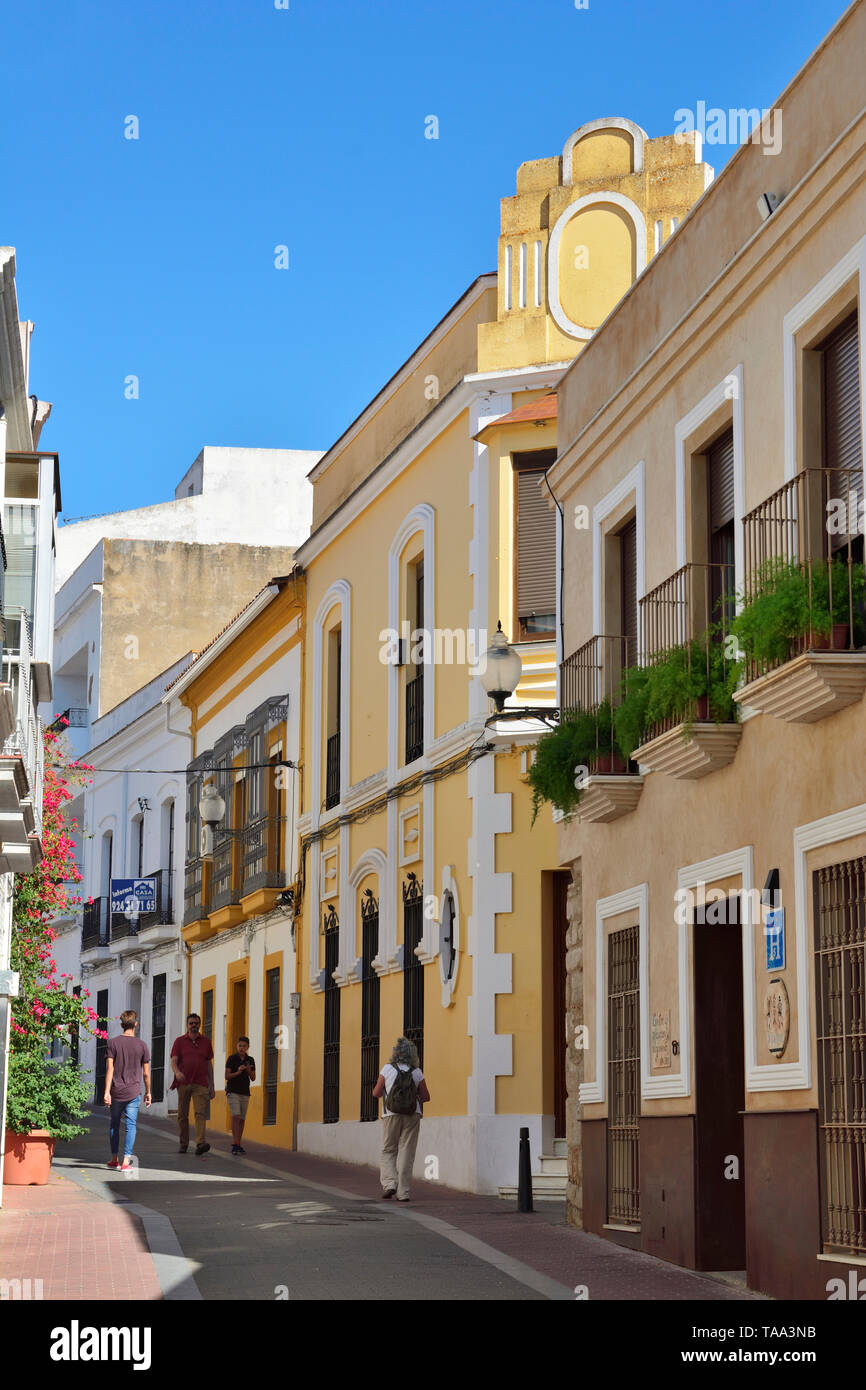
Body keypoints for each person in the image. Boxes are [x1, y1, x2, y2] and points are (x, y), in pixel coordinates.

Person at [372, 1037, 430, 1202]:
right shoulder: (417, 1072)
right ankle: (403, 1193)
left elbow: (375, 1093)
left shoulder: (388, 1069)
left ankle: (390, 1184)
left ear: (395, 1053)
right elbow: (426, 1097)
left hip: (391, 1114)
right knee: (407, 1152)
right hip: (413, 1115)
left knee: (388, 1149)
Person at [103, 1009, 151, 1171]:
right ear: (135, 1024)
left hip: (116, 1091)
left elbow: (110, 1069)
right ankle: (126, 1162)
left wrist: (107, 1092)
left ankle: (114, 1159)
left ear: (122, 1025)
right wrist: (148, 1092)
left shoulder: (113, 1043)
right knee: (131, 1125)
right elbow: (146, 1073)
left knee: (114, 1124)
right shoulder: (142, 1046)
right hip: (133, 1092)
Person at [169, 1013, 215, 1156]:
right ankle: (184, 1144)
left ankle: (200, 1142)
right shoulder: (179, 1041)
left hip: (200, 1083)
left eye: (196, 1023)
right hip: (183, 1083)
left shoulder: (206, 1042)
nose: (194, 1025)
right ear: (187, 1025)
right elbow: (174, 1061)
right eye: (191, 1023)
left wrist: (211, 1085)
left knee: (200, 1113)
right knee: (182, 1115)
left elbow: (208, 1064)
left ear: (199, 1025)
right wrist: (177, 1072)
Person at [225, 1035, 256, 1155]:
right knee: (236, 1116)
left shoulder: (250, 1060)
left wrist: (248, 1070)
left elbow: (253, 1078)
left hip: (245, 1092)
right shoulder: (232, 1059)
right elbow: (226, 1076)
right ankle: (235, 1142)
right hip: (233, 1091)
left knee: (242, 1119)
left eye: (244, 1046)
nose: (241, 1048)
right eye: (240, 1046)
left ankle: (239, 1143)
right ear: (237, 1046)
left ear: (248, 1047)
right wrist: (238, 1071)